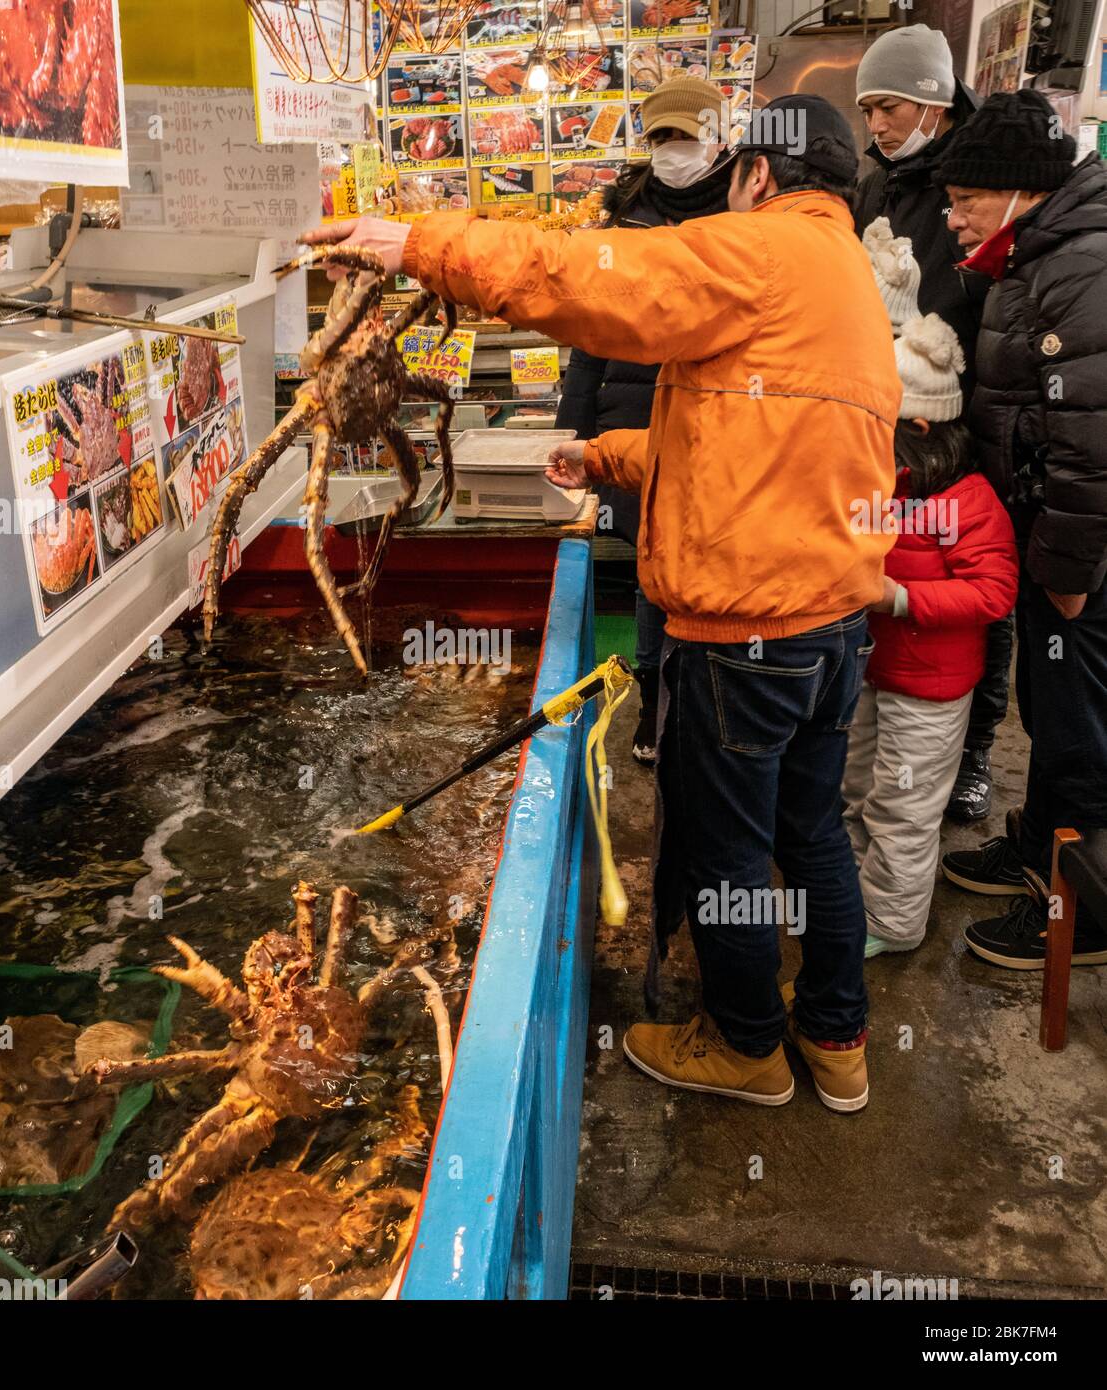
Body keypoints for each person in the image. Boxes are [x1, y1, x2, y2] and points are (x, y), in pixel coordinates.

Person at [304, 94, 900, 1112]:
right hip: (829, 623)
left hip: (743, 633)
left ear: (756, 175)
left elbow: (589, 278)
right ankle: (835, 1038)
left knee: (724, 848)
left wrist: (424, 242)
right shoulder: (845, 276)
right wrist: (606, 454)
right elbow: (759, 453)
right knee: (812, 836)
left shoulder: (763, 252)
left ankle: (745, 1041)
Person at [932, 89, 1107, 970]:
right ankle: (1042, 850)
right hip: (1043, 536)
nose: (953, 218)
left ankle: (1087, 913)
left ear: (1018, 190)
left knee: (1080, 724)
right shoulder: (1035, 254)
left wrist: (1070, 570)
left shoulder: (1082, 266)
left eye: (964, 200)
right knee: (1050, 712)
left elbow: (1094, 443)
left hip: (1080, 551)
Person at [853, 23, 1011, 825]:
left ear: (931, 102)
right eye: (869, 111)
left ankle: (976, 747)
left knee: (972, 571)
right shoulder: (876, 182)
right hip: (888, 402)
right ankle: (885, 712)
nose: (876, 125)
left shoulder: (981, 172)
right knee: (895, 552)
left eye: (886, 107)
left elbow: (995, 301)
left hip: (962, 410)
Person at [554, 75, 731, 765]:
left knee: (699, 568)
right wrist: (576, 425)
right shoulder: (623, 217)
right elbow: (590, 335)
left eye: (684, 137)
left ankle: (696, 703)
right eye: (660, 137)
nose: (670, 151)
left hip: (714, 420)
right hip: (630, 417)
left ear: (717, 138)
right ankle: (655, 708)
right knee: (652, 568)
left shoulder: (744, 215)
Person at [842, 300, 1017, 958]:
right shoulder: (889, 487)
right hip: (871, 672)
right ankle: (855, 897)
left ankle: (893, 921)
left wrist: (903, 599)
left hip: (930, 691)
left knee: (904, 809)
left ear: (918, 425)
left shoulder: (965, 502)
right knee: (857, 789)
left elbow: (995, 592)